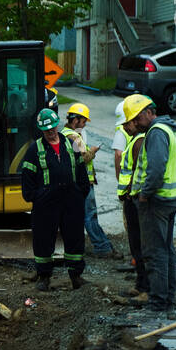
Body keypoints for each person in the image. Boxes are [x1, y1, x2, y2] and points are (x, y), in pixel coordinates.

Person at [122, 93, 176, 313]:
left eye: (137, 118)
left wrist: (145, 194)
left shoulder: (156, 133)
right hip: (170, 199)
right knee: (166, 250)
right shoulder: (166, 129)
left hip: (156, 201)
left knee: (155, 252)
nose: (135, 124)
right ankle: (167, 298)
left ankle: (158, 302)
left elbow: (156, 169)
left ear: (149, 112)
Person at [20, 107, 91, 290]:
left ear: (57, 125)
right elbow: (27, 177)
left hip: (71, 201)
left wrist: (80, 192)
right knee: (43, 239)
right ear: (41, 130)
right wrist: (36, 196)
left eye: (53, 128)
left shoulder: (70, 144)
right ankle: (44, 277)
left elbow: (81, 169)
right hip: (46, 204)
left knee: (75, 237)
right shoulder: (34, 150)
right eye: (47, 130)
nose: (51, 133)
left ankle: (76, 276)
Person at [63, 103, 113, 256]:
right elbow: (82, 159)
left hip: (78, 182)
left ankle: (100, 245)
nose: (84, 125)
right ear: (75, 120)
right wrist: (92, 151)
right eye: (83, 121)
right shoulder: (73, 136)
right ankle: (102, 247)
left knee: (83, 215)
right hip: (84, 183)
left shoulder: (66, 133)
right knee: (90, 215)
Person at [114, 100, 149, 300]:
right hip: (132, 199)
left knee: (140, 244)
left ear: (135, 122)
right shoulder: (135, 139)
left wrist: (132, 195)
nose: (124, 127)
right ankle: (141, 284)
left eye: (127, 123)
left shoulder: (139, 141)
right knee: (136, 244)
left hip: (136, 200)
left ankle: (145, 287)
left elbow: (138, 173)